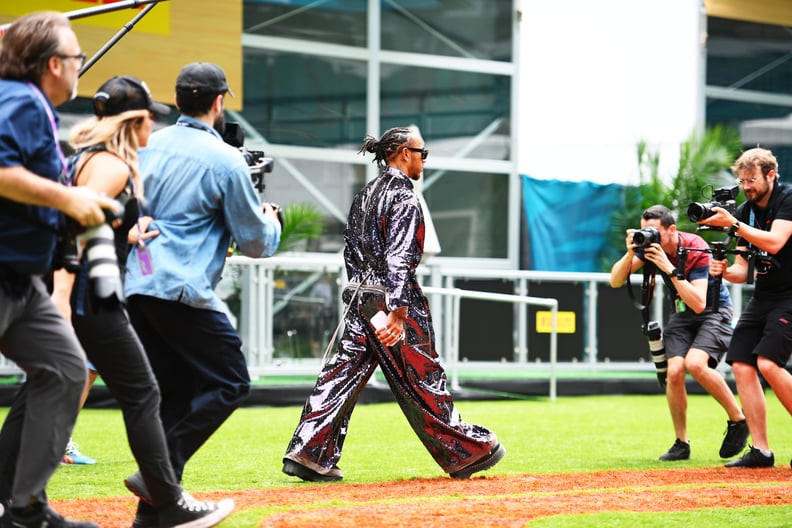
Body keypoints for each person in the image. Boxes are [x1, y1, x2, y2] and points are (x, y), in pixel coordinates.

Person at [50, 75, 235, 528]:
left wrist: (125, 231)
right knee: (142, 393)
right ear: (136, 120)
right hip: (95, 298)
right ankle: (167, 501)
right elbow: (67, 233)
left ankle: (18, 501)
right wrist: (58, 301)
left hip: (96, 294)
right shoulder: (113, 165)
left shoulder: (84, 159)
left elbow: (84, 223)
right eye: (149, 114)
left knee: (52, 393)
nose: (156, 120)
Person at [282, 126, 505, 482]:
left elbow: (351, 253)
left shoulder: (364, 196)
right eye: (422, 153)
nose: (424, 160)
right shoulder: (404, 197)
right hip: (390, 302)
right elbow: (399, 258)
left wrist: (366, 302)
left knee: (340, 375)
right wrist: (397, 312)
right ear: (403, 153)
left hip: (361, 299)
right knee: (422, 375)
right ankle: (465, 451)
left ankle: (308, 450)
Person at [123, 62, 281, 523]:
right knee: (230, 379)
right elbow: (254, 242)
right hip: (182, 288)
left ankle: (153, 515)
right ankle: (159, 475)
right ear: (218, 102)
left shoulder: (148, 144)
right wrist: (271, 218)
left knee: (176, 394)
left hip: (139, 283)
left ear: (177, 101)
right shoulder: (226, 159)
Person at [0, 11, 118, 528]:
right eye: (76, 58)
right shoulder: (21, 101)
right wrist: (70, 198)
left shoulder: (30, 103)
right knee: (66, 370)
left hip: (21, 279)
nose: (80, 66)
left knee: (67, 369)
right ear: (53, 64)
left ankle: (25, 508)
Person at [609, 205, 748, 462]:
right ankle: (681, 443)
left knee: (695, 364)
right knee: (673, 371)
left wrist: (668, 267)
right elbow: (616, 281)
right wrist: (630, 254)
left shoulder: (696, 248)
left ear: (672, 230)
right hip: (682, 314)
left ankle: (739, 420)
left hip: (713, 311)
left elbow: (699, 302)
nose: (649, 237)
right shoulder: (650, 247)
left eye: (654, 232)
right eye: (645, 231)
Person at [701, 147, 792, 468]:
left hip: (790, 295)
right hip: (764, 295)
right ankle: (762, 451)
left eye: (751, 180)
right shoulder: (744, 210)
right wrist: (723, 270)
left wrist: (733, 225)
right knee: (741, 363)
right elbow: (742, 270)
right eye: (742, 181)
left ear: (771, 175)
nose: (746, 186)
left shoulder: (788, 199)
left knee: (768, 363)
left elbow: (774, 242)